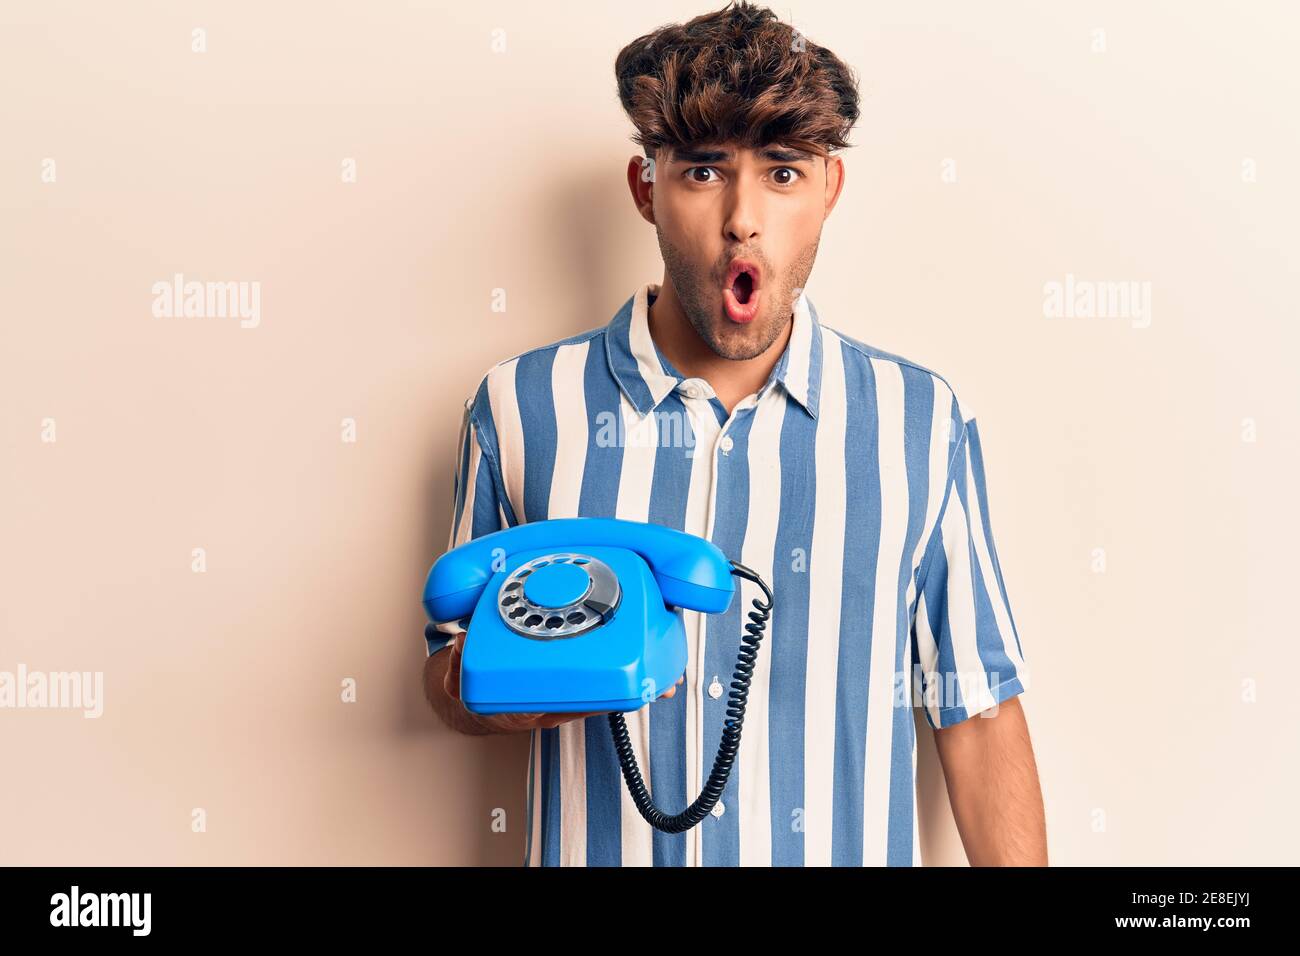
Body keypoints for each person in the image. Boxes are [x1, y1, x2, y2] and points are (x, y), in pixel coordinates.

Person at [423, 0, 1046, 867]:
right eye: (704, 172)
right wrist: (527, 683)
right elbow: (448, 680)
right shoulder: (520, 408)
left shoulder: (920, 422)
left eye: (783, 173)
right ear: (647, 189)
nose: (742, 218)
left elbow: (975, 711)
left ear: (829, 189)